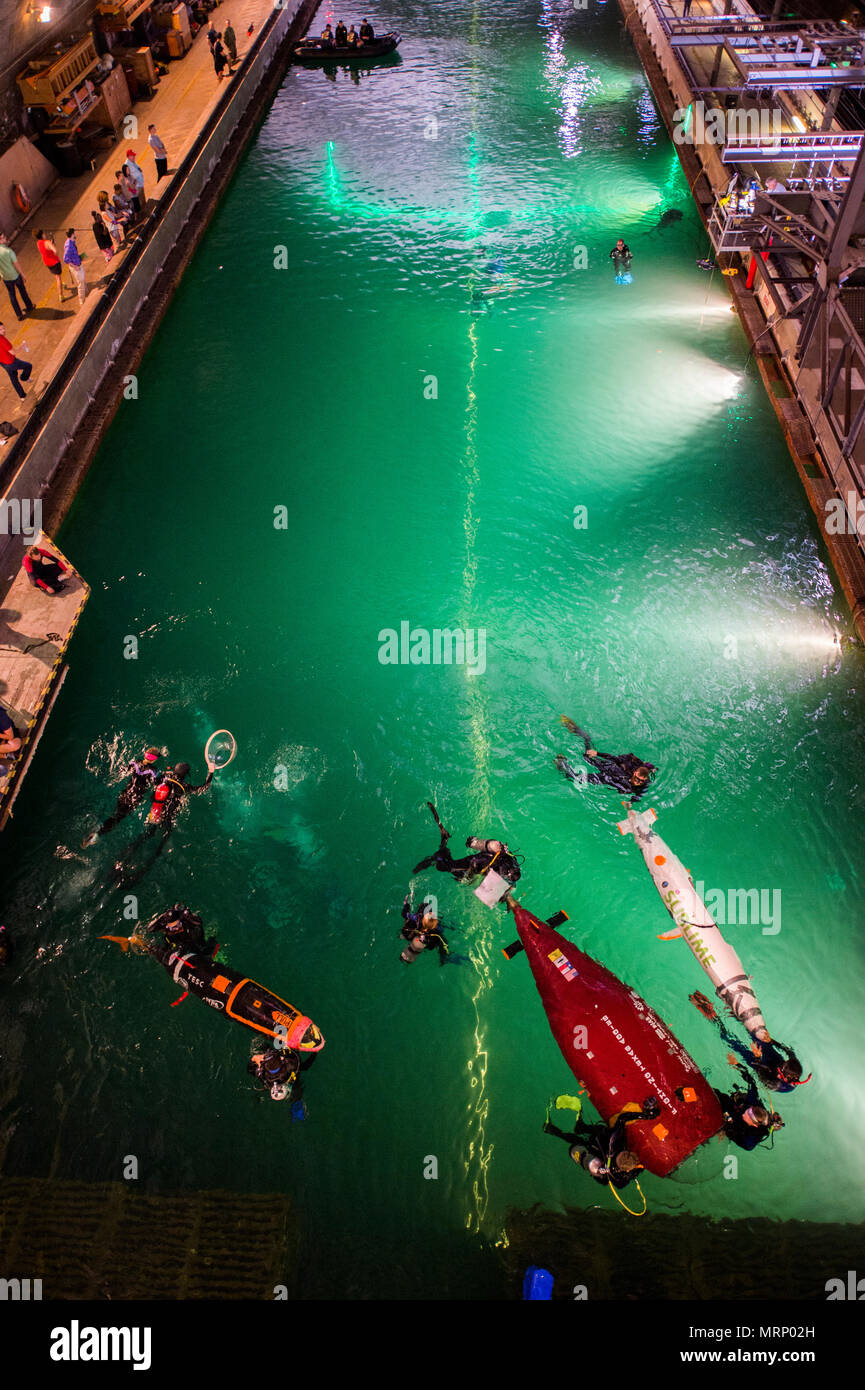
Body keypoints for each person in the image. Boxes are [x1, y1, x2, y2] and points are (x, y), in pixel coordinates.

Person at [690, 992, 808, 1094]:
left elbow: (758, 1072)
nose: (784, 1062)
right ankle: (736, 1015)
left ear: (784, 1073)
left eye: (784, 1065)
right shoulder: (794, 1066)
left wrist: (757, 1057)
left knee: (734, 1043)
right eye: (786, 1062)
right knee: (756, 1034)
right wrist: (771, 1040)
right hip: (774, 1058)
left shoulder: (775, 1084)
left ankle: (713, 1017)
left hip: (764, 1068)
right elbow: (789, 1051)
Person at [544, 1097, 660, 1189]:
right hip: (600, 1143)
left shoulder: (615, 1143)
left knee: (584, 1141)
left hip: (596, 1150)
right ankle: (576, 1128)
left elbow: (622, 1119)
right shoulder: (619, 1174)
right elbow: (620, 1185)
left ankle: (556, 1130)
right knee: (598, 1134)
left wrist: (645, 1116)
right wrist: (636, 1172)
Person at [413, 801, 521, 885]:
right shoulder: (498, 868)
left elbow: (511, 881)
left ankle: (444, 841)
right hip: (475, 862)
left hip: (485, 860)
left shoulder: (512, 864)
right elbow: (474, 862)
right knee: (443, 867)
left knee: (459, 875)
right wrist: (470, 876)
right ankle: (439, 852)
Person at [555, 716, 656, 800]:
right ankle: (579, 732)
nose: (638, 782)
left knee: (577, 778)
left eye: (641, 781)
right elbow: (615, 758)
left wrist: (630, 803)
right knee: (587, 755)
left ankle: (561, 764)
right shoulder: (631, 766)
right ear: (635, 772)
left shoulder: (641, 785)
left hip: (605, 779)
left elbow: (639, 795)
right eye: (638, 779)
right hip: (607, 767)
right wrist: (598, 753)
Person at [83, 747, 160, 844]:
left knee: (116, 814)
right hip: (134, 798)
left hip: (124, 794)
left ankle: (98, 830)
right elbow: (157, 785)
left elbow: (122, 771)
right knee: (117, 818)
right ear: (154, 760)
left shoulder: (135, 763)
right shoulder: (153, 771)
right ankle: (97, 835)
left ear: (145, 755)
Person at [713, 1063, 784, 1151]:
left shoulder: (751, 1137)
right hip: (735, 1112)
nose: (745, 1113)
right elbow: (752, 1083)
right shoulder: (753, 1103)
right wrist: (738, 1066)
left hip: (736, 1127)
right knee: (722, 1097)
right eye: (748, 1110)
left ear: (754, 1124)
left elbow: (747, 1146)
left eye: (747, 1114)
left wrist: (728, 1132)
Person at [146, 904, 218, 959]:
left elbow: (199, 922)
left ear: (181, 921)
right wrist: (161, 919)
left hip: (194, 938)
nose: (176, 929)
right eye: (173, 928)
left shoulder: (186, 921)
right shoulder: (167, 930)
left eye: (178, 925)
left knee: (202, 946)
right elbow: (150, 929)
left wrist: (189, 916)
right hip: (182, 943)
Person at [399, 896, 452, 965]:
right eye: (416, 951)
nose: (415, 948)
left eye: (411, 949)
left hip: (425, 916)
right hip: (432, 920)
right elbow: (443, 942)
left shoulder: (408, 931)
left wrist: (406, 904)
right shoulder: (431, 942)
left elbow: (405, 915)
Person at [0, 235, 34, 320]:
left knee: (12, 295)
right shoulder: (9, 251)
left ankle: (19, 314)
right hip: (15, 275)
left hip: (6, 278)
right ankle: (29, 306)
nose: (5, 238)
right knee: (22, 291)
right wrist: (22, 274)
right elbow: (16, 264)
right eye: (3, 237)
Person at [0, 323, 32, 401]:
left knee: (14, 378)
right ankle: (24, 378)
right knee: (28, 366)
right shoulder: (3, 340)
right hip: (11, 362)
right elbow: (14, 352)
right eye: (0, 330)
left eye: (3, 328)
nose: (4, 331)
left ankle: (22, 396)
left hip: (3, 363)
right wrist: (23, 346)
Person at [34, 230, 68, 305]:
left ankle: (61, 285)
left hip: (47, 263)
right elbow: (55, 251)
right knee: (58, 277)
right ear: (42, 235)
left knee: (56, 276)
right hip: (54, 262)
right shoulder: (47, 242)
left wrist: (50, 245)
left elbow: (45, 250)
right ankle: (61, 295)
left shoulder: (38, 243)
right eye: (44, 233)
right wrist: (53, 247)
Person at [62, 229, 87, 307]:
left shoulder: (72, 242)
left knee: (83, 280)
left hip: (78, 263)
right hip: (76, 266)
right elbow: (65, 258)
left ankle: (86, 292)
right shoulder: (68, 245)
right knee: (81, 282)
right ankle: (82, 301)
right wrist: (75, 266)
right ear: (72, 234)